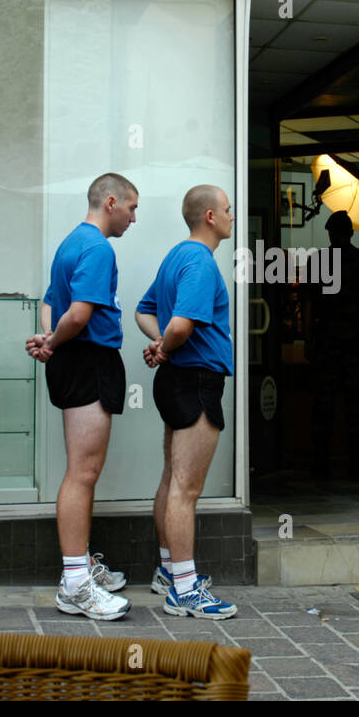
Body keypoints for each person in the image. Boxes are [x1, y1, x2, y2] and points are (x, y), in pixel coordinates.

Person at [25, 174, 138, 620]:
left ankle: (82, 568)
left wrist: (49, 338)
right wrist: (53, 342)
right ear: (110, 202)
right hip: (88, 359)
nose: (133, 217)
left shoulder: (70, 243)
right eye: (131, 207)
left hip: (78, 358)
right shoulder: (97, 248)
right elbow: (77, 313)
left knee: (83, 471)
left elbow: (51, 304)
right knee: (83, 472)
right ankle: (75, 584)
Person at [135, 185, 236, 619]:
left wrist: (159, 346)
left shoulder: (176, 255)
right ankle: (185, 590)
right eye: (229, 210)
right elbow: (180, 324)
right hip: (196, 381)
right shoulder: (199, 261)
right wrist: (167, 345)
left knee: (172, 479)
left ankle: (168, 572)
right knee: (186, 489)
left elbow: (143, 310)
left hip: (178, 379)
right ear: (210, 216)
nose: (234, 216)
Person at [307, 210, 359, 480]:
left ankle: (320, 462)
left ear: (330, 233)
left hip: (327, 337)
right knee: (356, 402)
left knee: (323, 402)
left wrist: (310, 339)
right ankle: (356, 461)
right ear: (352, 232)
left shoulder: (319, 260)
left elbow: (309, 303)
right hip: (357, 339)